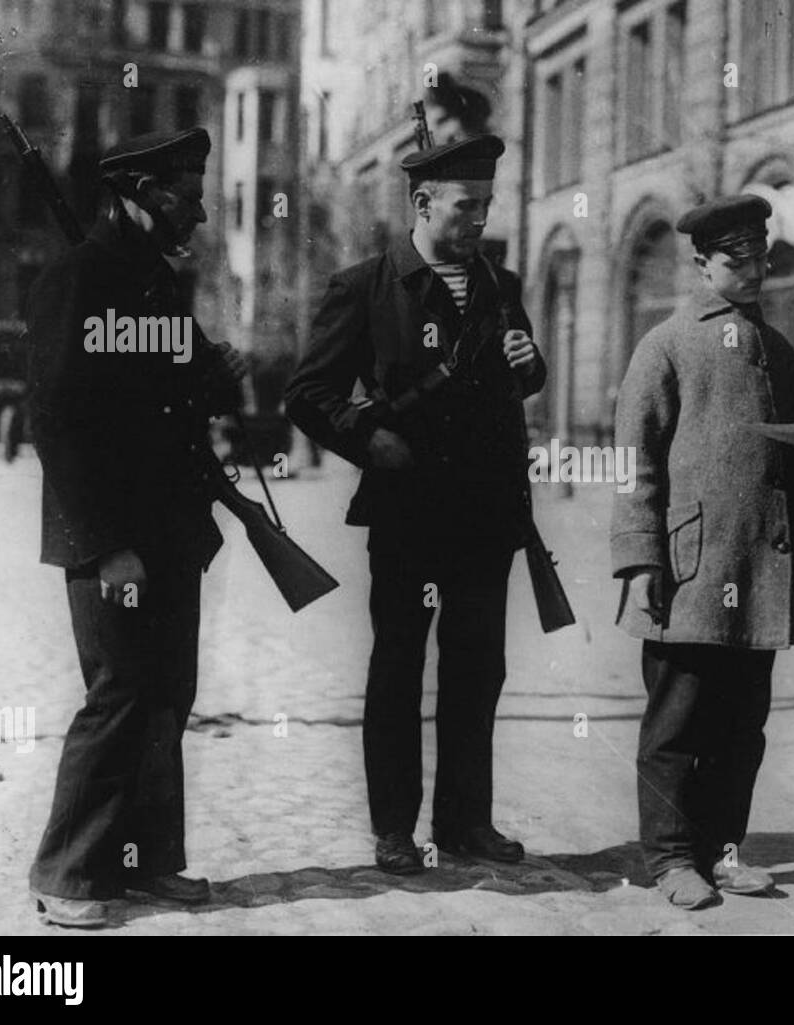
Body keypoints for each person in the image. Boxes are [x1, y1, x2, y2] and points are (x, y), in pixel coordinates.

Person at [284, 134, 545, 874]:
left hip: (485, 517)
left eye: (487, 204)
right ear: (423, 204)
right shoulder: (365, 286)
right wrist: (369, 437)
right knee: (398, 669)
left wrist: (531, 368)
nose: (480, 219)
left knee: (477, 668)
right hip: (408, 516)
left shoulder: (502, 285)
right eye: (467, 206)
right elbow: (308, 393)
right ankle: (395, 828)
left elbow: (506, 386)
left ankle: (466, 822)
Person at [25, 127, 246, 928]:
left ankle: (147, 860)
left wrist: (214, 378)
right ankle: (68, 874)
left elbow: (170, 398)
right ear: (146, 194)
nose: (198, 214)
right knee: (118, 694)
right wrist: (104, 543)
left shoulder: (153, 281)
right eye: (187, 197)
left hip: (169, 530)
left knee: (165, 697)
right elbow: (57, 422)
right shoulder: (79, 277)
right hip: (113, 538)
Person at [611, 195, 794, 909]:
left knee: (742, 724)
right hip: (690, 571)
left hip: (759, 568)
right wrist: (640, 562)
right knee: (677, 721)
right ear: (702, 264)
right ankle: (672, 857)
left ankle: (724, 850)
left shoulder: (777, 347)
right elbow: (633, 463)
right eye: (739, 261)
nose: (756, 271)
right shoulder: (665, 345)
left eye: (763, 257)